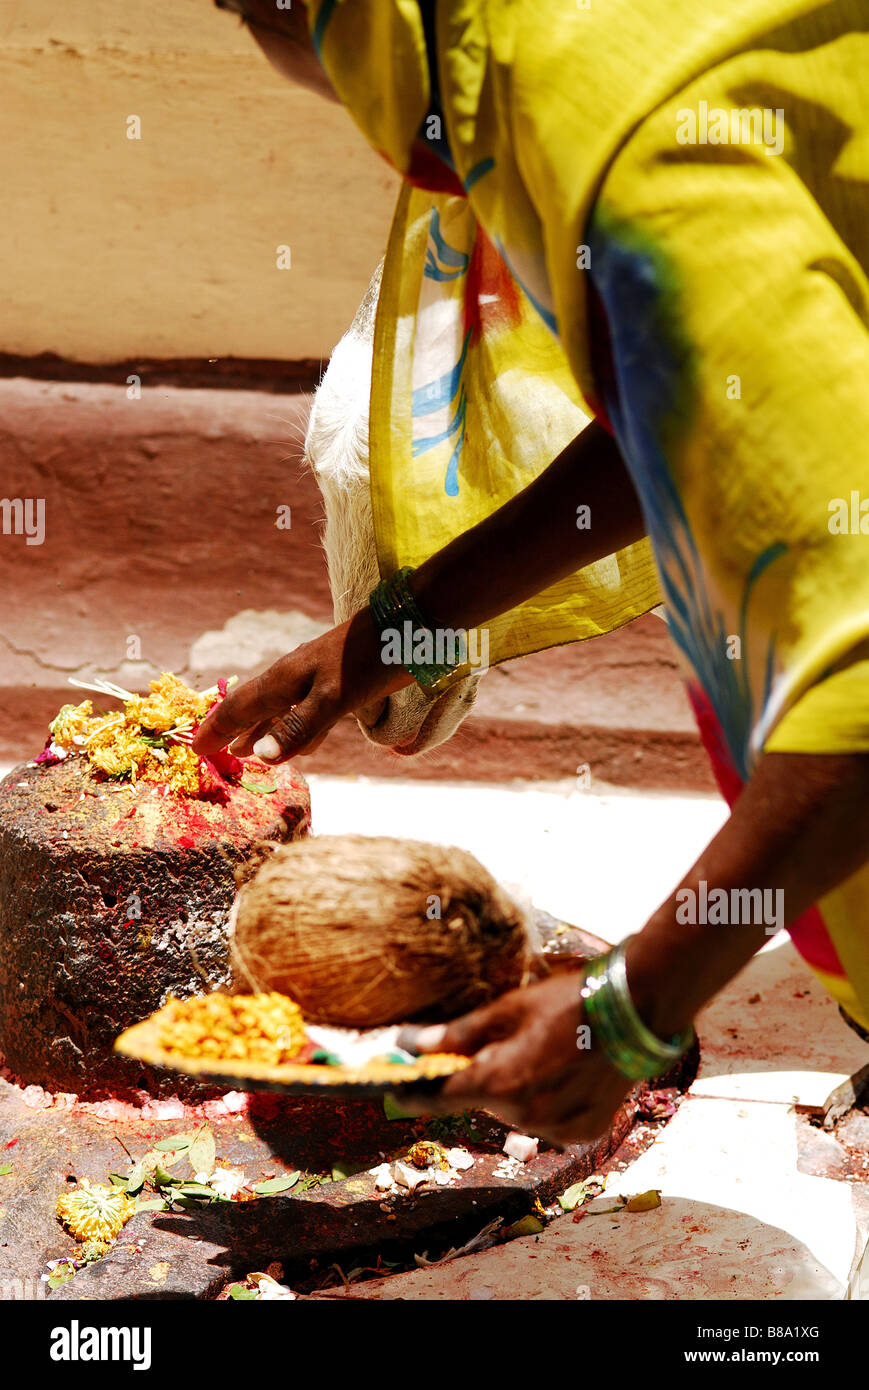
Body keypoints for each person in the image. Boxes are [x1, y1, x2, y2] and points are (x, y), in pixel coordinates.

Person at [197, 0, 869, 1143]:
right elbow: (688, 409)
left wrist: (630, 1009)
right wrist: (397, 625)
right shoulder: (577, 40)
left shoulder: (621, 128)